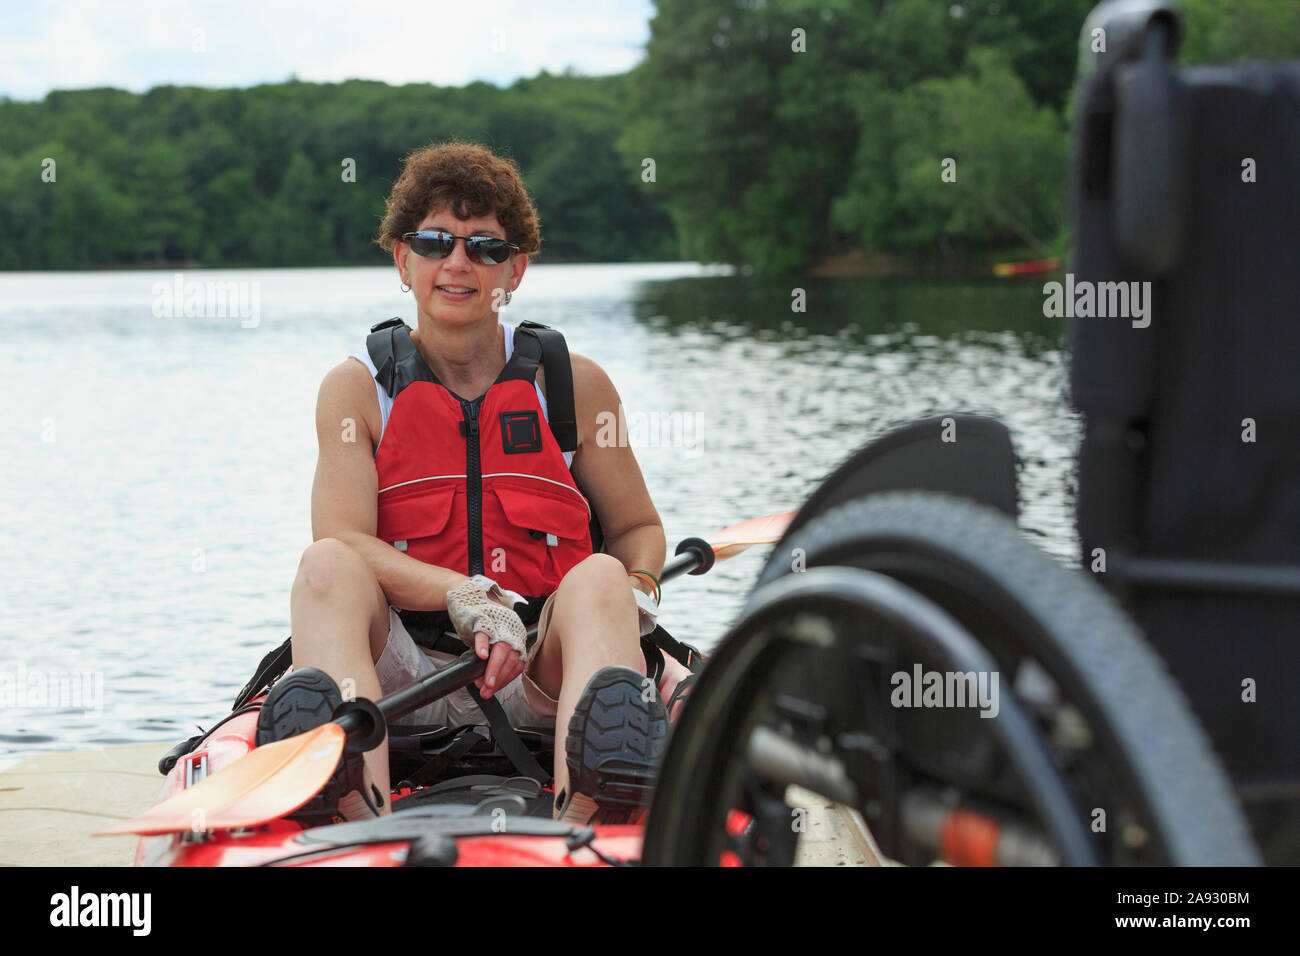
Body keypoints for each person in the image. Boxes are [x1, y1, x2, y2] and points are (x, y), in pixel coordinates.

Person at [258, 140, 686, 826]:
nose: (458, 264)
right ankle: (349, 816)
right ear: (403, 259)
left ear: (514, 269)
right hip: (405, 676)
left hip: (542, 667)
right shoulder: (356, 392)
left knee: (604, 577)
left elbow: (638, 528)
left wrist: (637, 589)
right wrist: (466, 597)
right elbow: (343, 539)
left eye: (485, 248)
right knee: (324, 565)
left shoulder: (576, 385)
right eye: (434, 243)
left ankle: (589, 820)